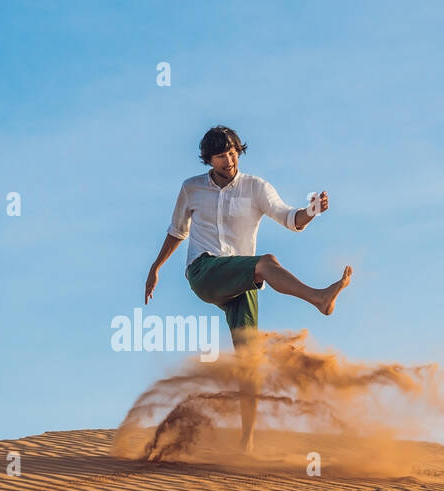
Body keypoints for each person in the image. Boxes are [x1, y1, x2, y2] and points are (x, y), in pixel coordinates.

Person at [143, 125, 352, 452]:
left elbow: (289, 218)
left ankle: (246, 444)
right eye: (220, 156)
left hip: (243, 280)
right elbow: (177, 231)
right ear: (208, 159)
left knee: (248, 363)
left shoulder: (256, 187)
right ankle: (318, 298)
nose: (229, 161)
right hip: (204, 270)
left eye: (232, 153)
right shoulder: (191, 188)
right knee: (266, 262)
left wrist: (311, 211)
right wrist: (156, 267)